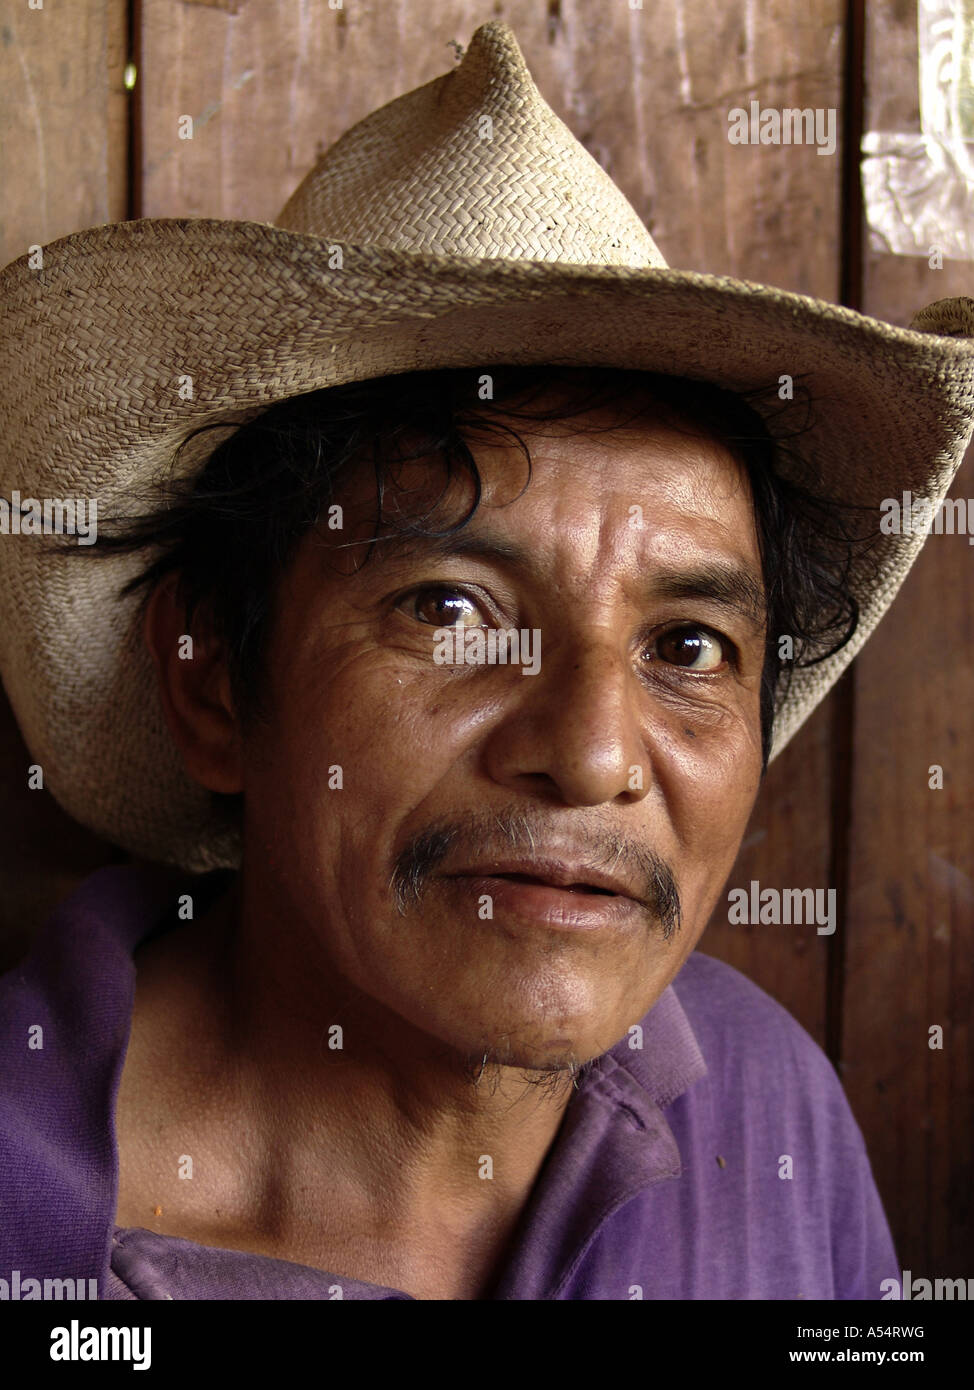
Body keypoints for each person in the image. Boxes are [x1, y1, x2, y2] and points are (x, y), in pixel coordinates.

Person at [1, 20, 972, 1302]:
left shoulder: (757, 1096)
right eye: (450, 613)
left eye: (687, 645)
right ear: (212, 680)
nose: (589, 753)